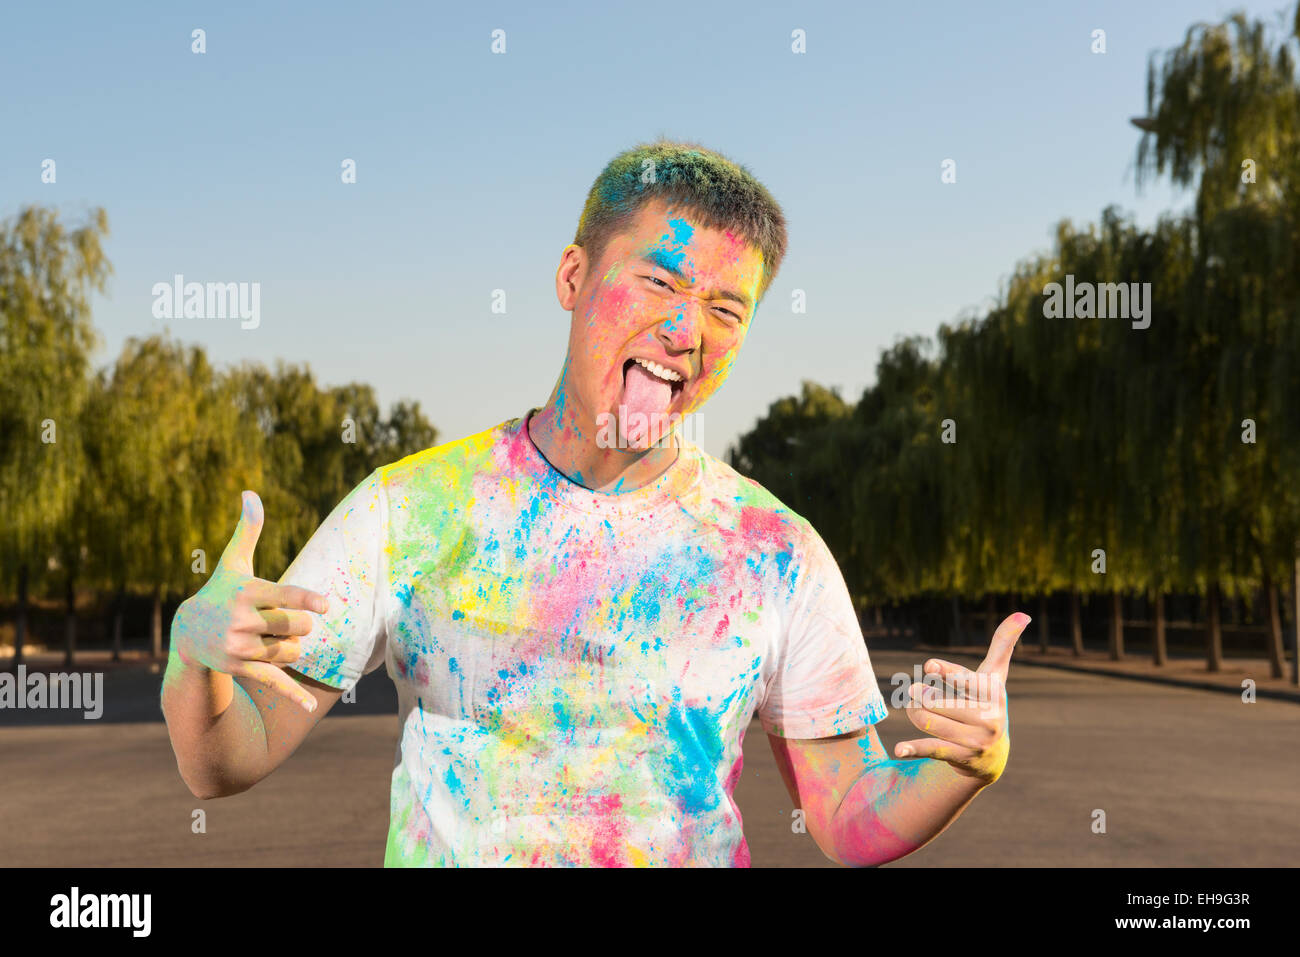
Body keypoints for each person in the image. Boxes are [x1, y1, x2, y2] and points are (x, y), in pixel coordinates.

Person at [162, 138, 1027, 867]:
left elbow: (846, 814)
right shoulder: (410, 510)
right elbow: (223, 763)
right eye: (659, 282)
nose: (688, 329)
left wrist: (968, 765)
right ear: (573, 276)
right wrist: (192, 659)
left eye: (727, 306)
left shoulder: (775, 552)